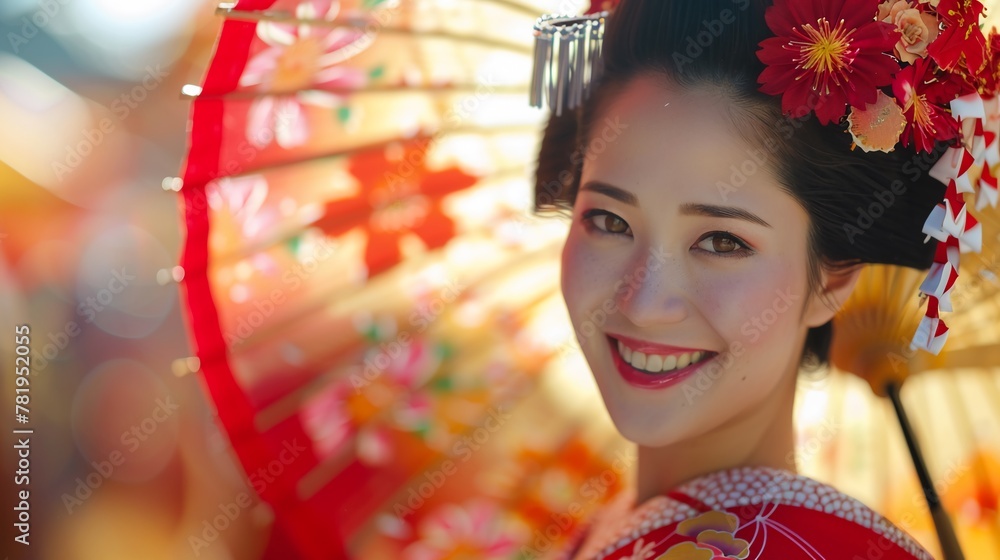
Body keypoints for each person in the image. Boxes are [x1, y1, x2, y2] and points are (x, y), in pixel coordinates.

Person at [532, 0, 1000, 558]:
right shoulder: (608, 529)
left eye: (722, 242)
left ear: (832, 278)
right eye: (608, 221)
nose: (643, 302)